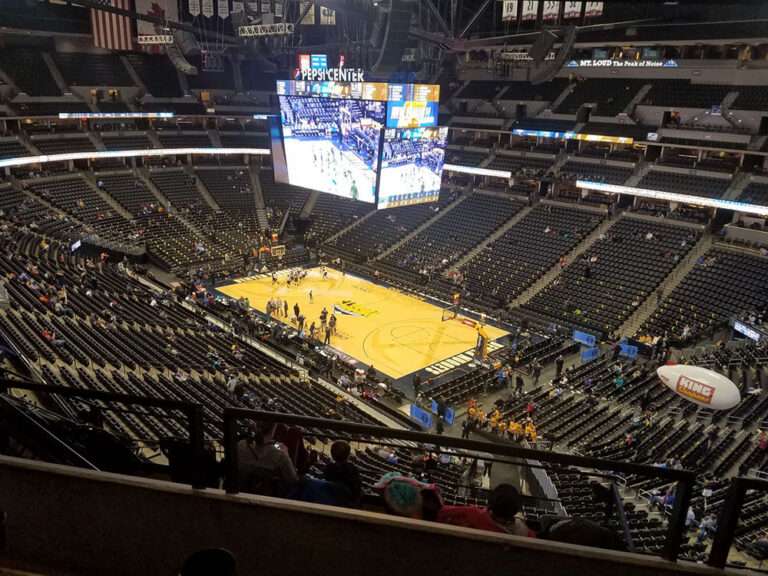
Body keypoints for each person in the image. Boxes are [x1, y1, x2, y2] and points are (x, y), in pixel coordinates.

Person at [236, 424, 298, 496]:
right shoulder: (280, 455)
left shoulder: (240, 445)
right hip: (266, 499)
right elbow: (293, 479)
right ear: (273, 430)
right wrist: (287, 455)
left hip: (239, 494)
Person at [322, 440, 361, 505]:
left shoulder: (328, 468)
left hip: (329, 499)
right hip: (346, 502)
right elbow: (357, 489)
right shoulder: (352, 469)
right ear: (348, 455)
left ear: (332, 455)